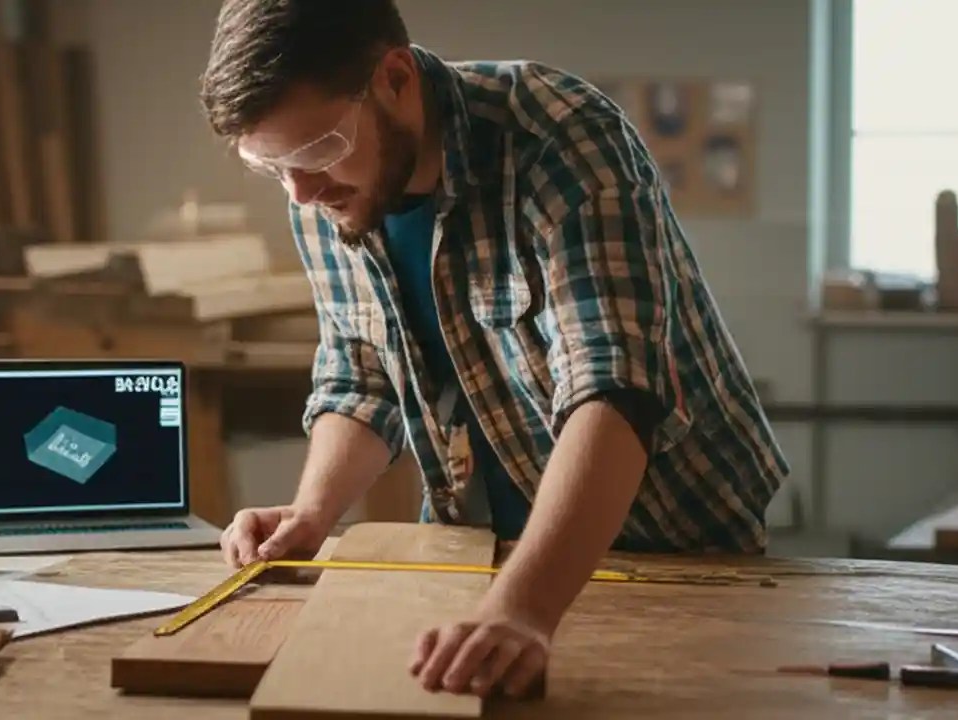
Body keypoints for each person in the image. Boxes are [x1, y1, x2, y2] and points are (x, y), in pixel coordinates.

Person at [198, 0, 789, 700]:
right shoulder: (324, 189)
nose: (300, 192)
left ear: (393, 77)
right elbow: (362, 376)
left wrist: (523, 609)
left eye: (315, 151)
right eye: (273, 168)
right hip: (475, 552)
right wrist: (313, 512)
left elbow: (614, 391)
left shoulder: (559, 137)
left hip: (667, 552)